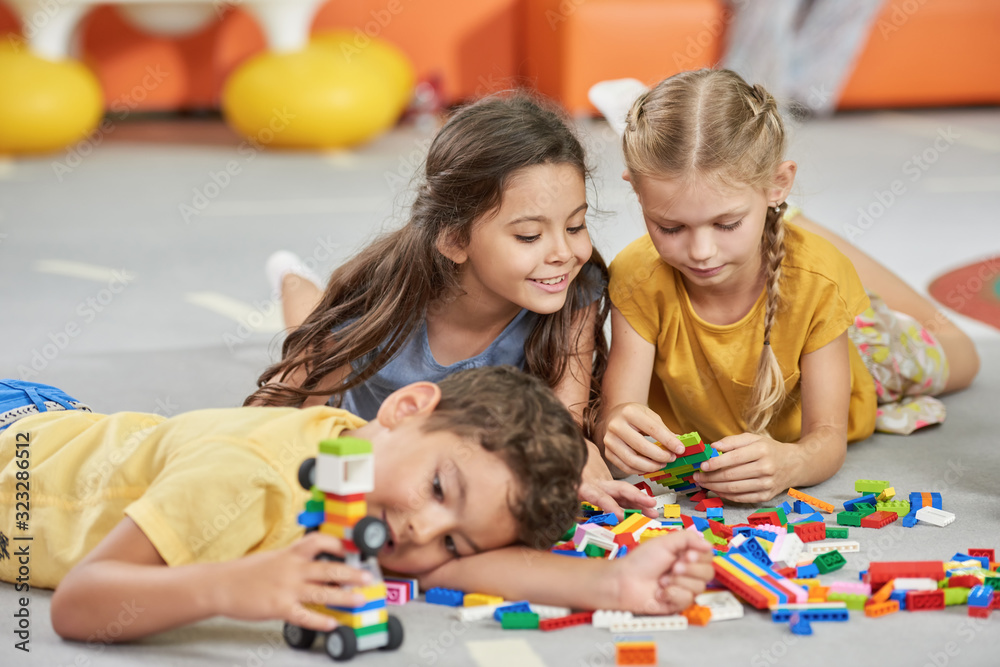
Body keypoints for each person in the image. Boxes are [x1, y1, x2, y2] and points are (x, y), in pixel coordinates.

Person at [0, 367, 713, 643]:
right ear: (405, 407)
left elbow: (448, 571)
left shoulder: (371, 474)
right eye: (440, 491)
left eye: (454, 539)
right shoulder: (250, 480)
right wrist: (229, 586)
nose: (420, 532)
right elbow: (80, 603)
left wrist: (614, 583)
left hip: (74, 428)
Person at [251, 92, 652, 518]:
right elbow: (293, 409)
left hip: (449, 446)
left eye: (575, 225)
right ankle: (292, 278)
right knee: (307, 328)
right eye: (530, 236)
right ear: (455, 240)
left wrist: (577, 453)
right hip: (374, 430)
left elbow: (564, 415)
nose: (563, 253)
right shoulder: (378, 298)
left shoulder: (574, 288)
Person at [597, 69, 980, 503]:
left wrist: (793, 463)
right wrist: (618, 424)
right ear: (636, 193)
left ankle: (782, 218)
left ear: (779, 180)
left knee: (962, 353)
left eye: (726, 223)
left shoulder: (819, 279)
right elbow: (617, 411)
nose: (701, 251)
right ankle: (760, 218)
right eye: (670, 226)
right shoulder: (635, 274)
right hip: (779, 264)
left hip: (861, 348)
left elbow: (827, 438)